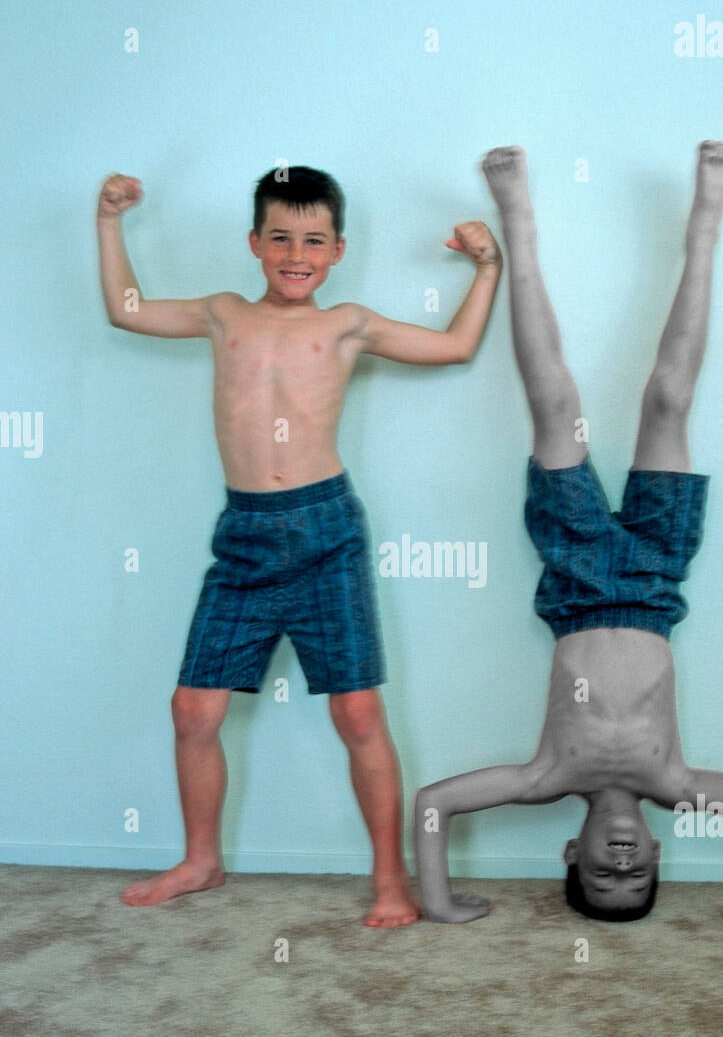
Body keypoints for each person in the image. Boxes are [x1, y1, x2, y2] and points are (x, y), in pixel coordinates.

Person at [413, 142, 723, 937]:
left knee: (554, 403)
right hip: (657, 581)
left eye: (603, 874)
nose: (622, 866)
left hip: (578, 582)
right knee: (668, 401)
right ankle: (705, 224)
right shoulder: (677, 783)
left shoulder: (543, 779)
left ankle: (518, 224)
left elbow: (433, 807)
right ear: (662, 852)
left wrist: (438, 900)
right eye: (638, 877)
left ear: (570, 850)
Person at [96, 164, 502, 926]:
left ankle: (390, 878)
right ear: (254, 242)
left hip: (325, 533)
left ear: (337, 250)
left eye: (313, 240)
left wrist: (488, 266)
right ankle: (201, 859)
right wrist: (109, 221)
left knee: (356, 713)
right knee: (193, 709)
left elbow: (455, 346)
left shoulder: (346, 322)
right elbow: (126, 310)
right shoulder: (223, 314)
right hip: (244, 535)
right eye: (280, 236)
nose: (296, 252)